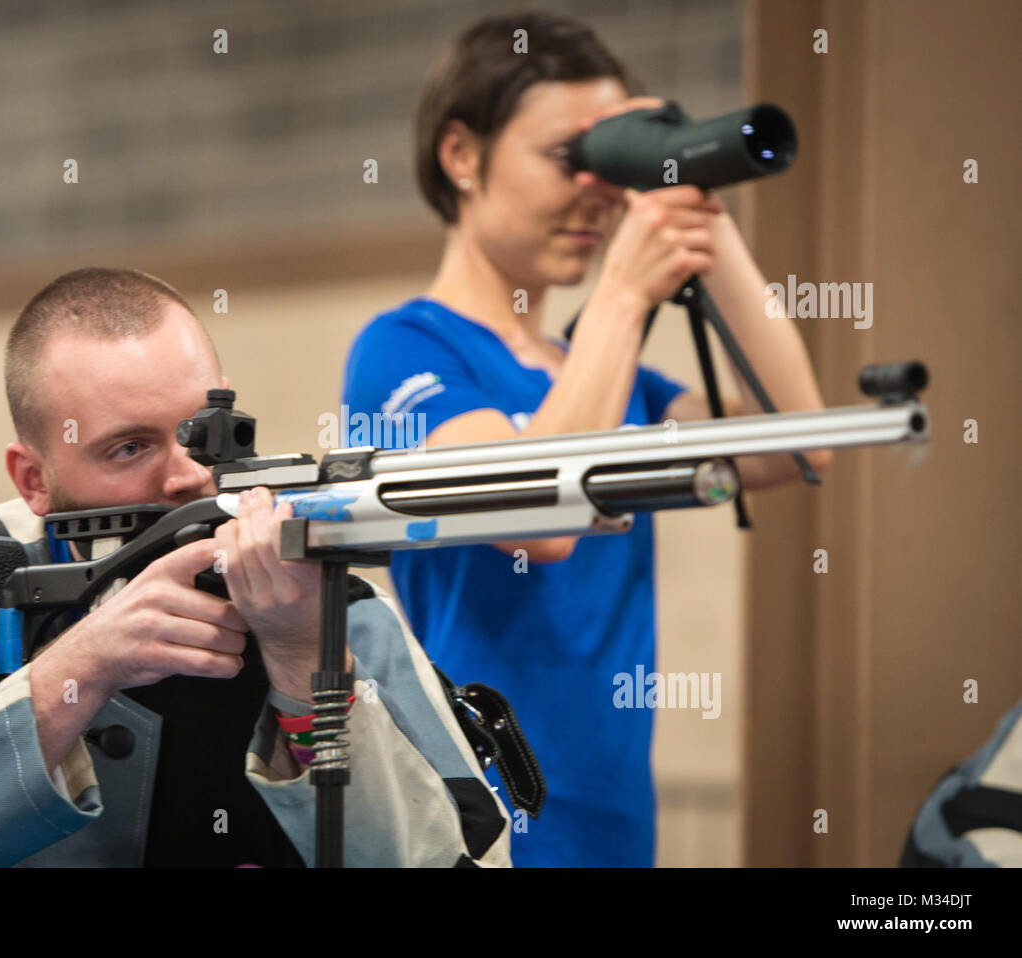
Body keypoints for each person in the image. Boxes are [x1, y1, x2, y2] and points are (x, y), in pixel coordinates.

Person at [0, 267, 511, 867]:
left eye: (204, 435)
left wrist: (305, 673)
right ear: (33, 478)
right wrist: (78, 674)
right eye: (128, 448)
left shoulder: (325, 600)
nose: (187, 477)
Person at [341, 11, 831, 866]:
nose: (595, 193)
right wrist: (623, 296)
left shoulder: (611, 379)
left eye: (608, 162)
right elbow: (543, 519)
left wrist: (707, 229)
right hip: (480, 833)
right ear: (463, 157)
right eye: (570, 157)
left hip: (616, 831)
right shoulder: (404, 349)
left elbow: (798, 448)